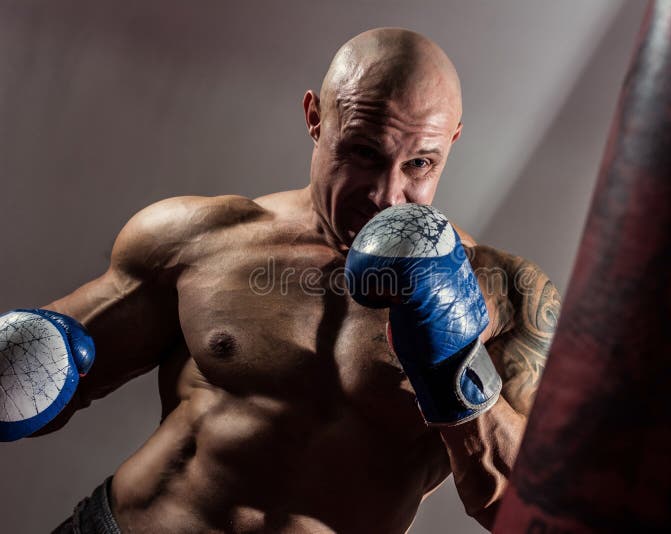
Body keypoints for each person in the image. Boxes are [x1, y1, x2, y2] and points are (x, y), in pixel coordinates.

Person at [1, 28, 560, 533]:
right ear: (316, 118)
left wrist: (455, 366)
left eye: (421, 164)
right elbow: (41, 372)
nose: (387, 195)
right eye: (364, 152)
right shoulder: (203, 238)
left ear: (453, 142)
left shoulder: (505, 294)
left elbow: (527, 513)